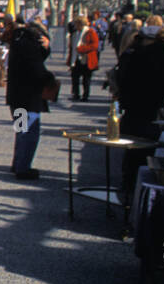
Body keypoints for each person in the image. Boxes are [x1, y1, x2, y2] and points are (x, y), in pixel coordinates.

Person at [115, 24, 164, 201]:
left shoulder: (137, 54)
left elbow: (122, 82)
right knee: (154, 161)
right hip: (157, 116)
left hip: (134, 113)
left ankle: (128, 195)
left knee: (134, 156)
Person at [6, 22, 58, 180]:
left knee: (21, 131)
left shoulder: (19, 44)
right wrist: (51, 78)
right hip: (28, 99)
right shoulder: (30, 49)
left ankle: (18, 163)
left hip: (17, 97)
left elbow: (37, 60)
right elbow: (38, 70)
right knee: (29, 133)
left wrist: (45, 49)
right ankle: (23, 167)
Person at [70, 15, 99, 102]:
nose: (75, 26)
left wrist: (82, 49)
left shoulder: (90, 32)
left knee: (86, 78)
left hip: (86, 58)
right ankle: (76, 94)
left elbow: (94, 45)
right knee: (75, 77)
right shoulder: (75, 33)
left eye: (76, 24)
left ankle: (85, 95)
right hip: (76, 58)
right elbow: (72, 47)